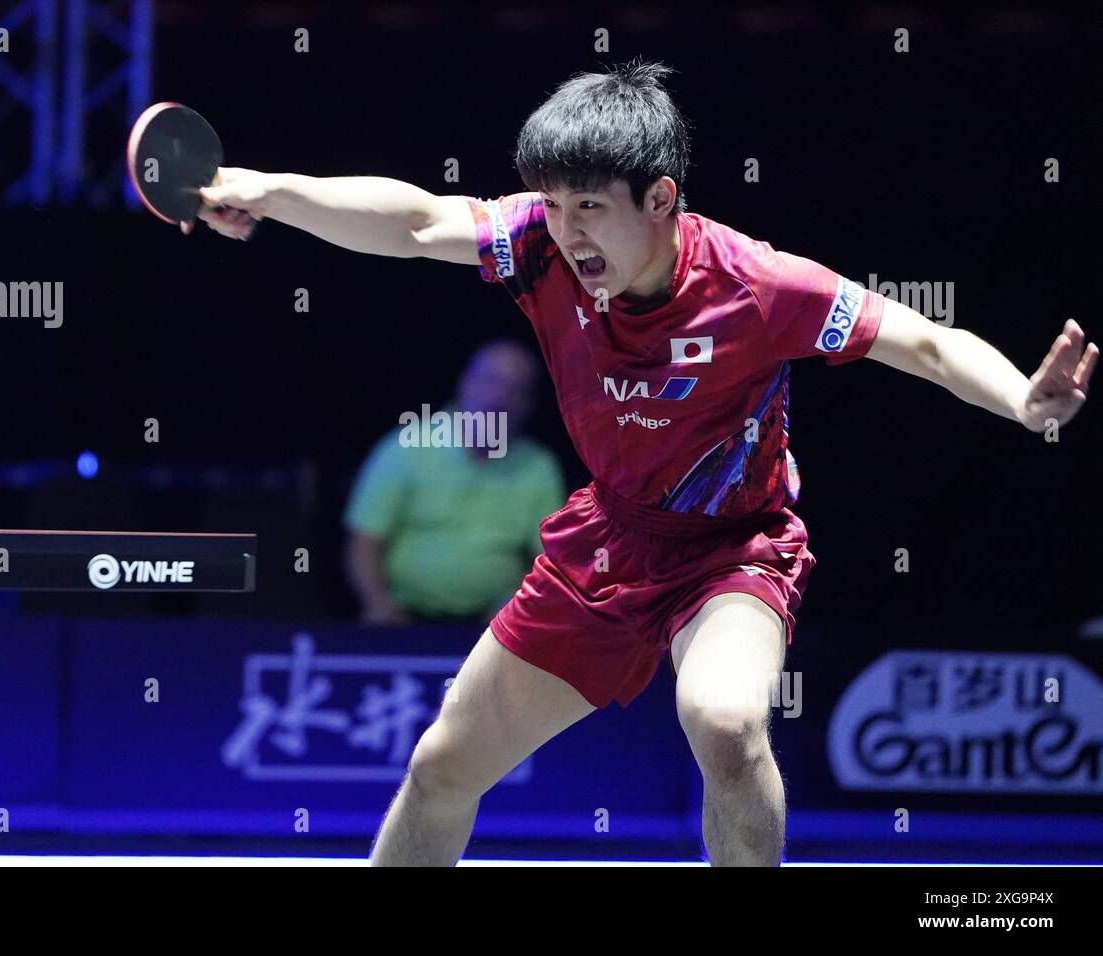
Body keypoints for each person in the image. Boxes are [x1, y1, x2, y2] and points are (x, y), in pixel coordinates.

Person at [184, 60, 1096, 866]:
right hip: (609, 542)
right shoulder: (540, 247)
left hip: (735, 551)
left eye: (591, 206)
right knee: (439, 767)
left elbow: (926, 344)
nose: (567, 230)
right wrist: (268, 190)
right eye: (551, 202)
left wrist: (1021, 398)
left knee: (727, 721)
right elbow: (419, 221)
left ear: (660, 199)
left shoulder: (757, 285)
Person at [342, 341, 565, 626]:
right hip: (403, 619)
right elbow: (362, 545)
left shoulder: (539, 467)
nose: (499, 397)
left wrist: (518, 603)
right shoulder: (405, 447)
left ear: (529, 405)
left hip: (499, 629)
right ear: (465, 383)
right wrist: (378, 603)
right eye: (490, 381)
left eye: (516, 389)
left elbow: (551, 562)